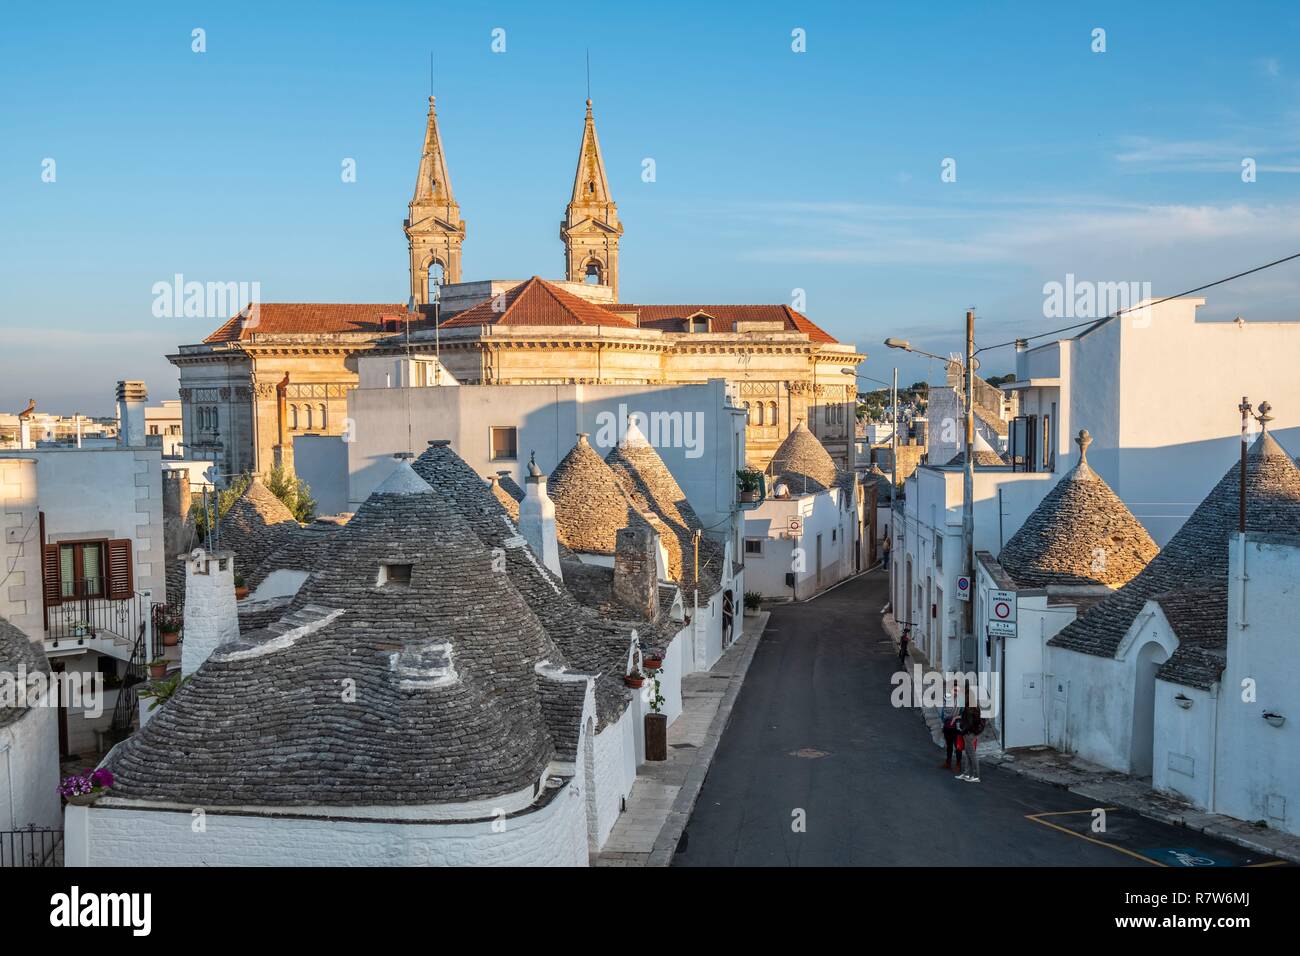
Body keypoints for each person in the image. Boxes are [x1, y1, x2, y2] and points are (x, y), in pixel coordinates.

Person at [956, 690, 985, 783]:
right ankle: (967, 774)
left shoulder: (969, 708)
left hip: (968, 734)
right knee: (968, 754)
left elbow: (969, 723)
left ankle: (976, 776)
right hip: (971, 733)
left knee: (972, 755)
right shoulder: (975, 707)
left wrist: (963, 730)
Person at [940, 679, 961, 771]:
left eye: (957, 690)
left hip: (957, 727)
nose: (955, 692)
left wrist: (955, 717)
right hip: (947, 726)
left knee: (957, 746)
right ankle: (948, 762)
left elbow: (963, 714)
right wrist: (943, 723)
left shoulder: (961, 701)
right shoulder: (946, 698)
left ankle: (958, 764)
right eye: (954, 690)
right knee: (949, 745)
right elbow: (943, 712)